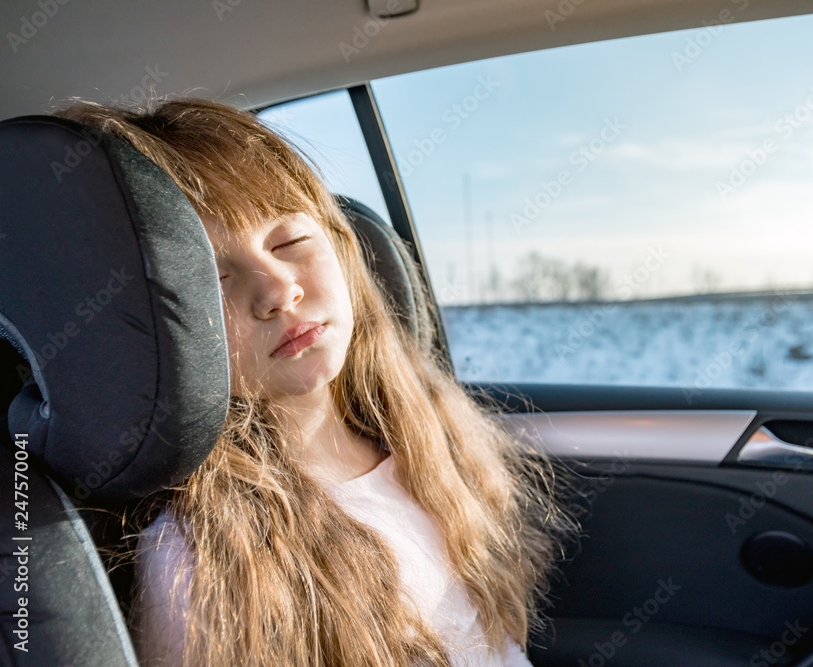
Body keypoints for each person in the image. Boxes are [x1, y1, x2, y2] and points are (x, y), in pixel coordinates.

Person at [53, 98, 580, 667]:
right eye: (211, 278)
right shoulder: (207, 560)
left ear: (342, 248)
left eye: (287, 242)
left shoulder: (432, 448)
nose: (277, 290)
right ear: (152, 330)